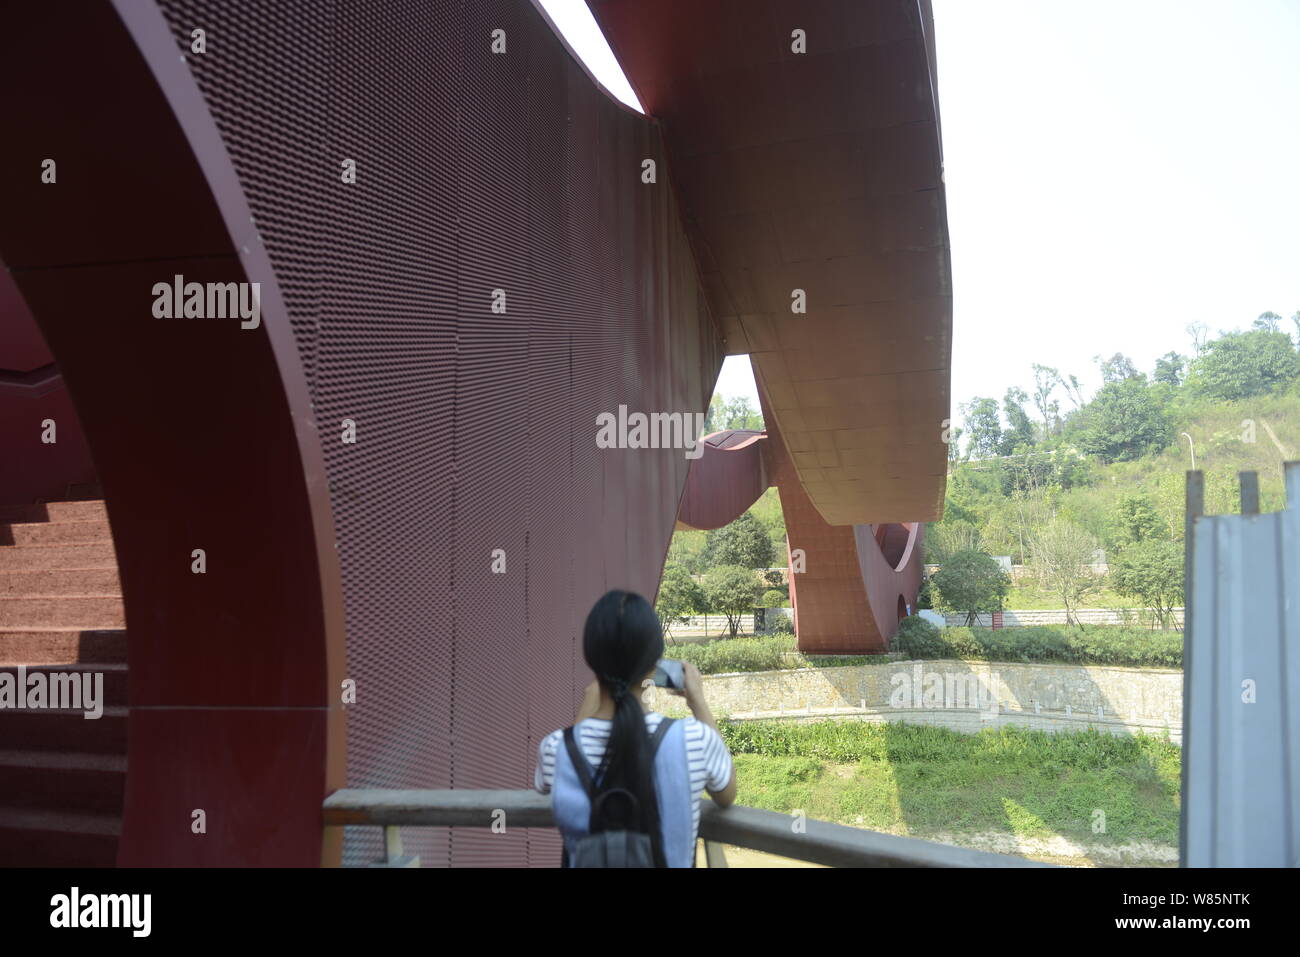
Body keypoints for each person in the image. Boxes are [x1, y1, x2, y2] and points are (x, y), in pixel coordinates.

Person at [533, 589, 736, 867]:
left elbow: (566, 766)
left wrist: (588, 703)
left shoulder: (555, 748)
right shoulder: (694, 740)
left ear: (590, 656)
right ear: (655, 665)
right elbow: (726, 794)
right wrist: (697, 700)